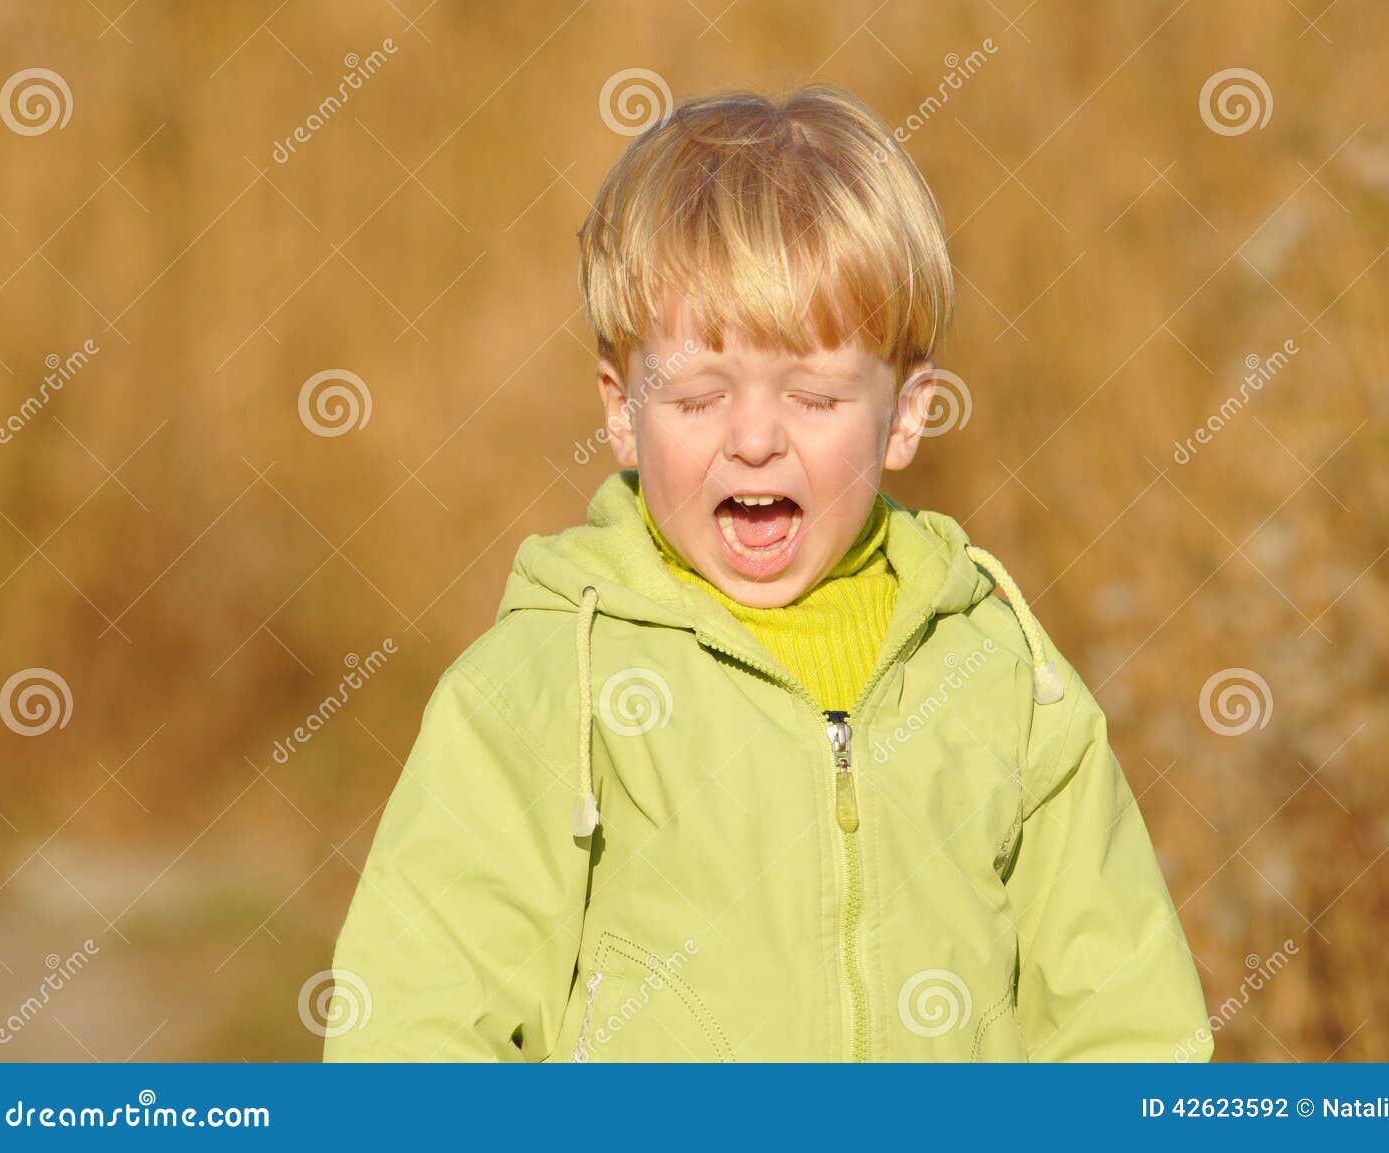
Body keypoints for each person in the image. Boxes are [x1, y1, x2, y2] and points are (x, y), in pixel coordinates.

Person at [324, 85, 1211, 1062]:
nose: (754, 439)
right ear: (622, 412)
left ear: (907, 414)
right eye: (698, 396)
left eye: (815, 396)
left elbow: (1125, 1027)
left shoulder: (1002, 678)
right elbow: (419, 1026)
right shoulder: (546, 686)